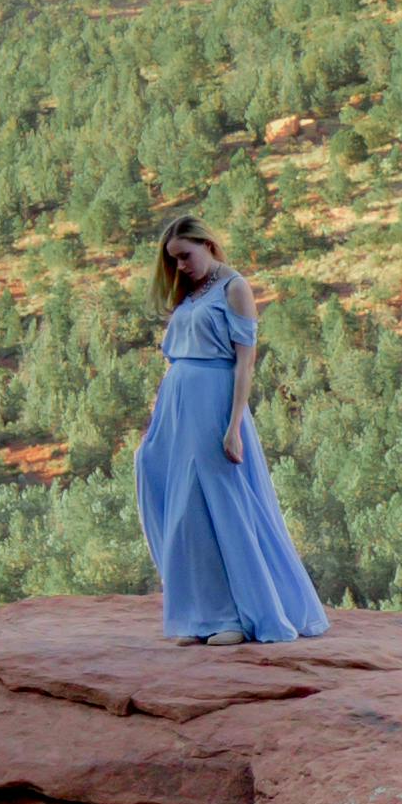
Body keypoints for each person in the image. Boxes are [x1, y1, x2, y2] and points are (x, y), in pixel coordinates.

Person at [136, 209, 328, 643]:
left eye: (184, 255)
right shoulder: (190, 291)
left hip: (214, 400)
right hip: (178, 404)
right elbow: (178, 355)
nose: (180, 266)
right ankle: (201, 616)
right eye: (173, 260)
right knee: (185, 509)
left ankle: (239, 618)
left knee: (223, 506)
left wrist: (234, 425)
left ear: (207, 244)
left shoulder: (234, 288)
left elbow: (245, 362)